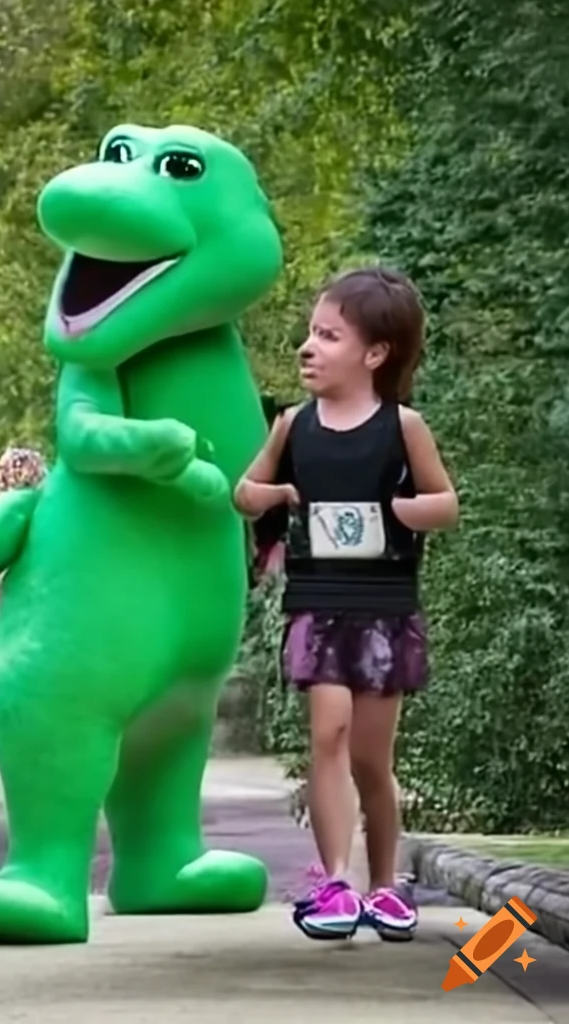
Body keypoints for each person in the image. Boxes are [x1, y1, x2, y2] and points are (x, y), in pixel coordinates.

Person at [234, 267, 459, 942]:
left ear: (375, 353)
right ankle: (334, 881)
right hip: (317, 601)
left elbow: (446, 504)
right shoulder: (293, 426)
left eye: (328, 336)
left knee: (369, 757)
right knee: (325, 736)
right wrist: (277, 496)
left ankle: (384, 885)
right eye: (310, 333)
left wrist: (402, 510)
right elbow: (245, 491)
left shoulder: (403, 426)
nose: (308, 347)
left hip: (385, 606)